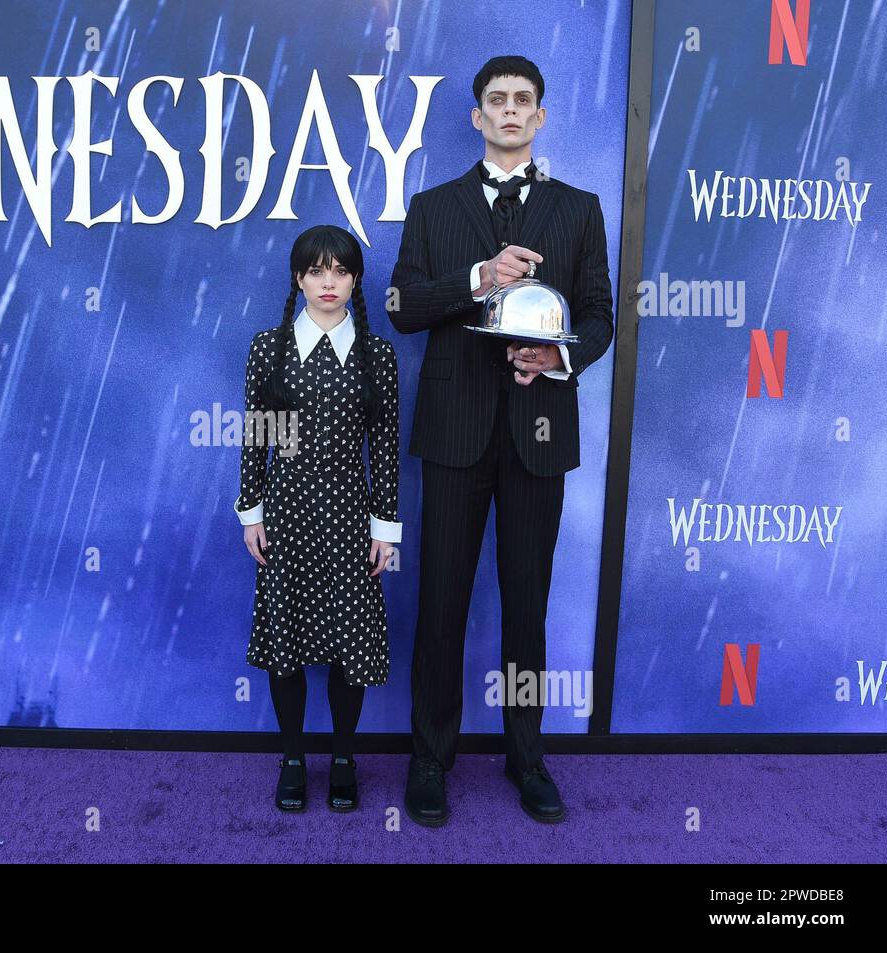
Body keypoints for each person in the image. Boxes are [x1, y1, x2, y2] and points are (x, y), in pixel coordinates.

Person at [386, 55, 614, 825]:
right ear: (477, 117)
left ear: (541, 116)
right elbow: (403, 306)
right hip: (453, 430)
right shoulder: (432, 205)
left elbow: (599, 315)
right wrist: (478, 277)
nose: (510, 111)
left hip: (539, 430)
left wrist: (558, 354)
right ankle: (429, 758)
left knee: (527, 606)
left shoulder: (580, 210)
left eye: (523, 100)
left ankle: (528, 757)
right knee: (441, 602)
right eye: (496, 101)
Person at [234, 224, 401, 813]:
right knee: (289, 639)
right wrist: (251, 512)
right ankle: (293, 758)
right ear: (298, 278)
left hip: (352, 515)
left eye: (339, 271)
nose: (327, 283)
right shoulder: (269, 348)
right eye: (315, 271)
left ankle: (345, 757)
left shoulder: (376, 354)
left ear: (355, 279)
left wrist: (386, 529)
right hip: (287, 511)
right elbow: (258, 439)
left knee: (349, 641)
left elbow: (383, 446)